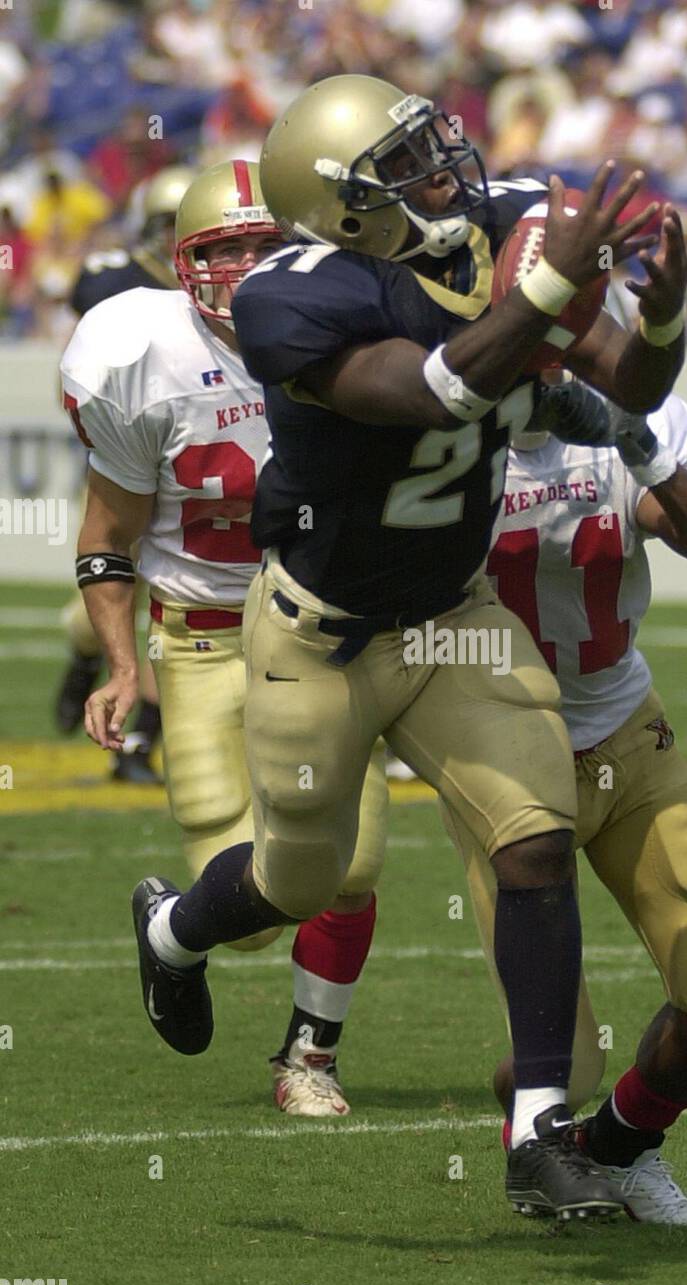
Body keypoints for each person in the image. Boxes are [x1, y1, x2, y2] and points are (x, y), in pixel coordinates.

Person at [127, 73, 687, 1221]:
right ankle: (174, 929)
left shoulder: (496, 227)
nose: (445, 167)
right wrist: (540, 285)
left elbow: (631, 381)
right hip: (317, 641)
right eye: (406, 159)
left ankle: (539, 1127)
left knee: (532, 838)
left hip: (454, 614)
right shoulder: (291, 299)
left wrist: (661, 309)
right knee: (304, 879)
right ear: (341, 207)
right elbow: (435, 389)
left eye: (435, 141)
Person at [60, 161, 387, 1118]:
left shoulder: (350, 324)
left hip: (324, 628)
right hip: (202, 640)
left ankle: (310, 1058)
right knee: (253, 910)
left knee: (353, 863)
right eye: (223, 248)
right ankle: (174, 930)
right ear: (181, 262)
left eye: (262, 244)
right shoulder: (132, 352)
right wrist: (122, 666)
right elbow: (107, 535)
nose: (245, 267)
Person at [442, 388, 687, 1225]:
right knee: (562, 1065)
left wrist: (637, 444)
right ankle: (534, 1145)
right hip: (504, 755)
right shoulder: (440, 430)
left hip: (630, 734)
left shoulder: (632, 421)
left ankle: (615, 1150)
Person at [55, 166, 195, 783]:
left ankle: (140, 742)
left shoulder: (240, 283)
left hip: (198, 459)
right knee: (108, 589)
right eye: (169, 226)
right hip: (133, 451)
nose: (178, 239)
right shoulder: (119, 281)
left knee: (179, 594)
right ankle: (87, 658)